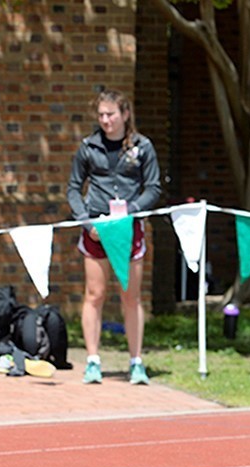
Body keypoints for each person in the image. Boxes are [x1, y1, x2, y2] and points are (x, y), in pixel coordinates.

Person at [66, 89, 162, 385]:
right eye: (101, 115)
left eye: (111, 114)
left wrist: (131, 211)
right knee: (94, 295)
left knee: (130, 297)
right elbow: (73, 189)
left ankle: (136, 362)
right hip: (96, 229)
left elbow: (154, 188)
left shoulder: (142, 147)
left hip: (128, 229)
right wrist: (86, 222)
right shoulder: (88, 147)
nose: (106, 120)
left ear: (125, 114)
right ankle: (93, 361)